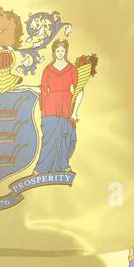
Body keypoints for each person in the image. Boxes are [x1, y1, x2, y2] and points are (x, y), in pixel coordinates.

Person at [37, 38, 82, 174]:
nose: (60, 53)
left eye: (62, 51)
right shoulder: (48, 70)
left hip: (66, 106)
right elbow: (43, 89)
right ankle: (42, 168)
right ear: (54, 52)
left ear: (66, 52)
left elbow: (79, 90)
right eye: (58, 51)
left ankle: (63, 165)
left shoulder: (71, 69)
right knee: (49, 137)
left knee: (65, 136)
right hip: (50, 106)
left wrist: (75, 111)